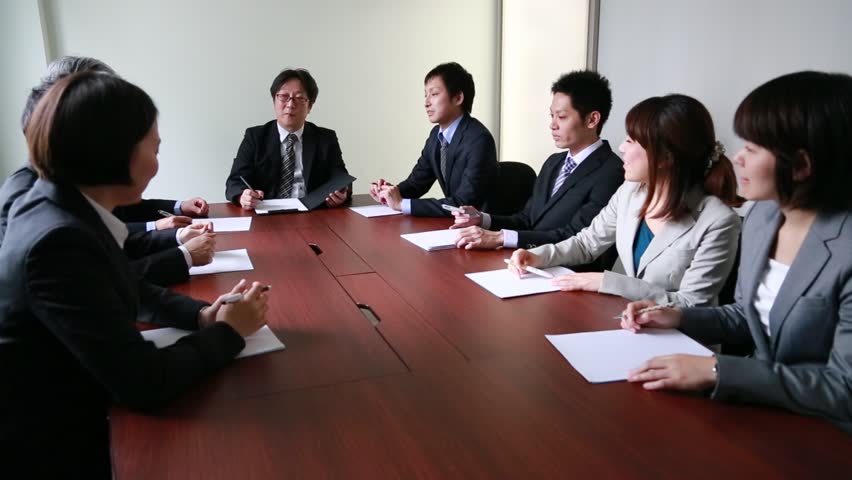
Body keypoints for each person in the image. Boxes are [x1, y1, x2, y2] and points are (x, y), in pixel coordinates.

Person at [0, 71, 269, 477]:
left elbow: (125, 284)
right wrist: (229, 333)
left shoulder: (65, 206)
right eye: (154, 148)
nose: (159, 163)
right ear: (115, 151)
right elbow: (144, 383)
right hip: (56, 441)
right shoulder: (57, 240)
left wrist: (200, 316)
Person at [622, 71, 852, 433]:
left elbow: (844, 388)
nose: (737, 158)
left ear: (802, 165)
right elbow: (748, 317)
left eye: (752, 149)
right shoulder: (763, 215)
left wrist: (718, 370)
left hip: (828, 429)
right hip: (762, 406)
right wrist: (677, 317)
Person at [508, 94, 741, 307]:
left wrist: (607, 283)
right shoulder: (630, 191)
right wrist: (540, 256)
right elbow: (586, 243)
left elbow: (692, 304)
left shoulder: (719, 221)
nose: (620, 147)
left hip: (681, 340)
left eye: (630, 141)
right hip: (626, 321)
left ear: (664, 156)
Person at [0, 55, 214, 286]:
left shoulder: (75, 178)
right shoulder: (35, 204)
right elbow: (107, 279)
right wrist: (183, 255)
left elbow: (117, 238)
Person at [452, 70, 623, 252]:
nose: (553, 124)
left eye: (562, 116)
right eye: (552, 116)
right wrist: (483, 219)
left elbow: (575, 237)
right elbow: (527, 219)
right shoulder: (554, 162)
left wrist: (501, 237)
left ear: (592, 120)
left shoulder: (612, 171)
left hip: (566, 272)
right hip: (527, 261)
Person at [369, 62, 498, 217]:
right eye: (425, 95)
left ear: (458, 98)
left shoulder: (478, 140)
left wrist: (401, 204)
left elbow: (463, 202)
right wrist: (389, 193)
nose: (426, 103)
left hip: (482, 229)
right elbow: (416, 184)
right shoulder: (436, 136)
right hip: (455, 225)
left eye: (434, 94)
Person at [225, 68, 351, 209]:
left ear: (310, 105)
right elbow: (235, 181)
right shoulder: (255, 137)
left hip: (313, 214)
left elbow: (341, 178)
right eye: (284, 96)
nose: (290, 104)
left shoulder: (325, 138)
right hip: (266, 215)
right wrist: (243, 195)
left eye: (299, 98)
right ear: (274, 100)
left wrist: (342, 193)